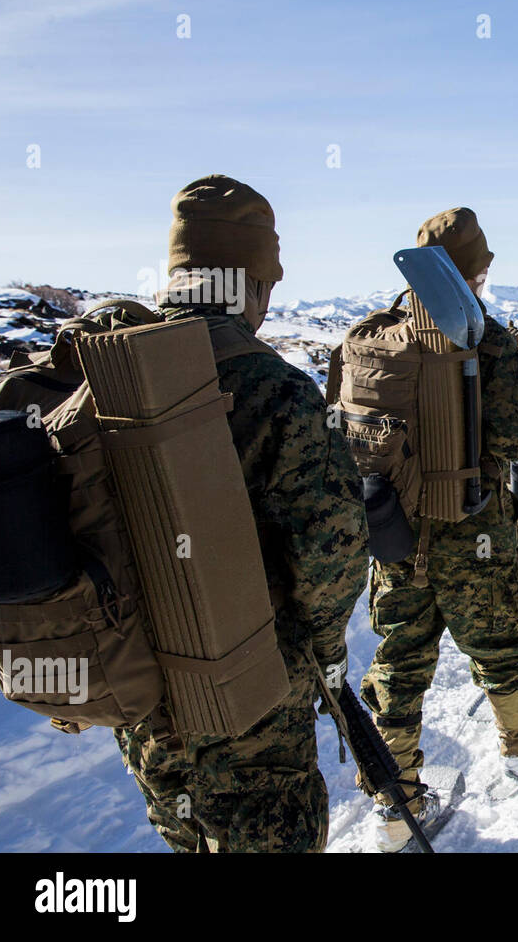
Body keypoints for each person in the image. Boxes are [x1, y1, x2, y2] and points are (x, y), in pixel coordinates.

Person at [113, 174, 369, 852]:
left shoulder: (105, 374)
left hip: (143, 701)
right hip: (252, 695)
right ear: (251, 283)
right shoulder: (274, 388)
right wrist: (322, 654)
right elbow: (332, 553)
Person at [359, 209, 518, 850]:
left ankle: (397, 806)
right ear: (472, 269)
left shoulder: (372, 334)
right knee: (496, 642)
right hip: (472, 528)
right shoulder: (487, 339)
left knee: (400, 659)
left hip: (394, 531)